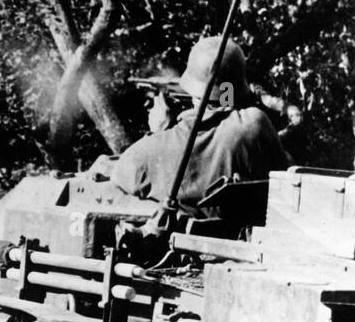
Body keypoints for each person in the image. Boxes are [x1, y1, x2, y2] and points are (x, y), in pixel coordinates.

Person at [110, 35, 289, 218]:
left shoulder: (154, 148)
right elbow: (285, 176)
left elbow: (119, 176)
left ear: (193, 90)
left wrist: (158, 131)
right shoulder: (254, 124)